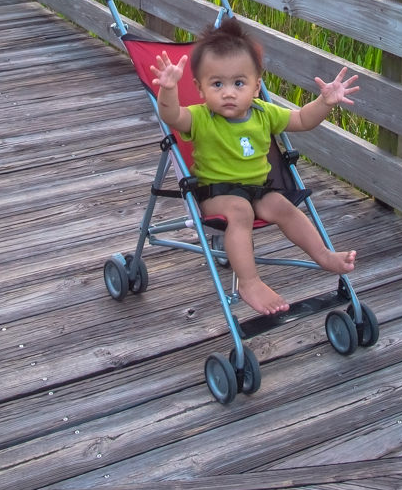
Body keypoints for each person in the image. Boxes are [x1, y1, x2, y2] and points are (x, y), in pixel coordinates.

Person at [148, 17, 360, 316]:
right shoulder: (200, 117)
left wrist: (324, 103)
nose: (229, 92)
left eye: (239, 83)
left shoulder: (264, 113)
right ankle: (249, 282)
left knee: (285, 207)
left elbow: (301, 120)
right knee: (240, 211)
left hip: (260, 189)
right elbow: (172, 117)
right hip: (217, 193)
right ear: (199, 88)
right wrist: (168, 89)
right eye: (217, 84)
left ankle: (323, 255)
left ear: (256, 86)